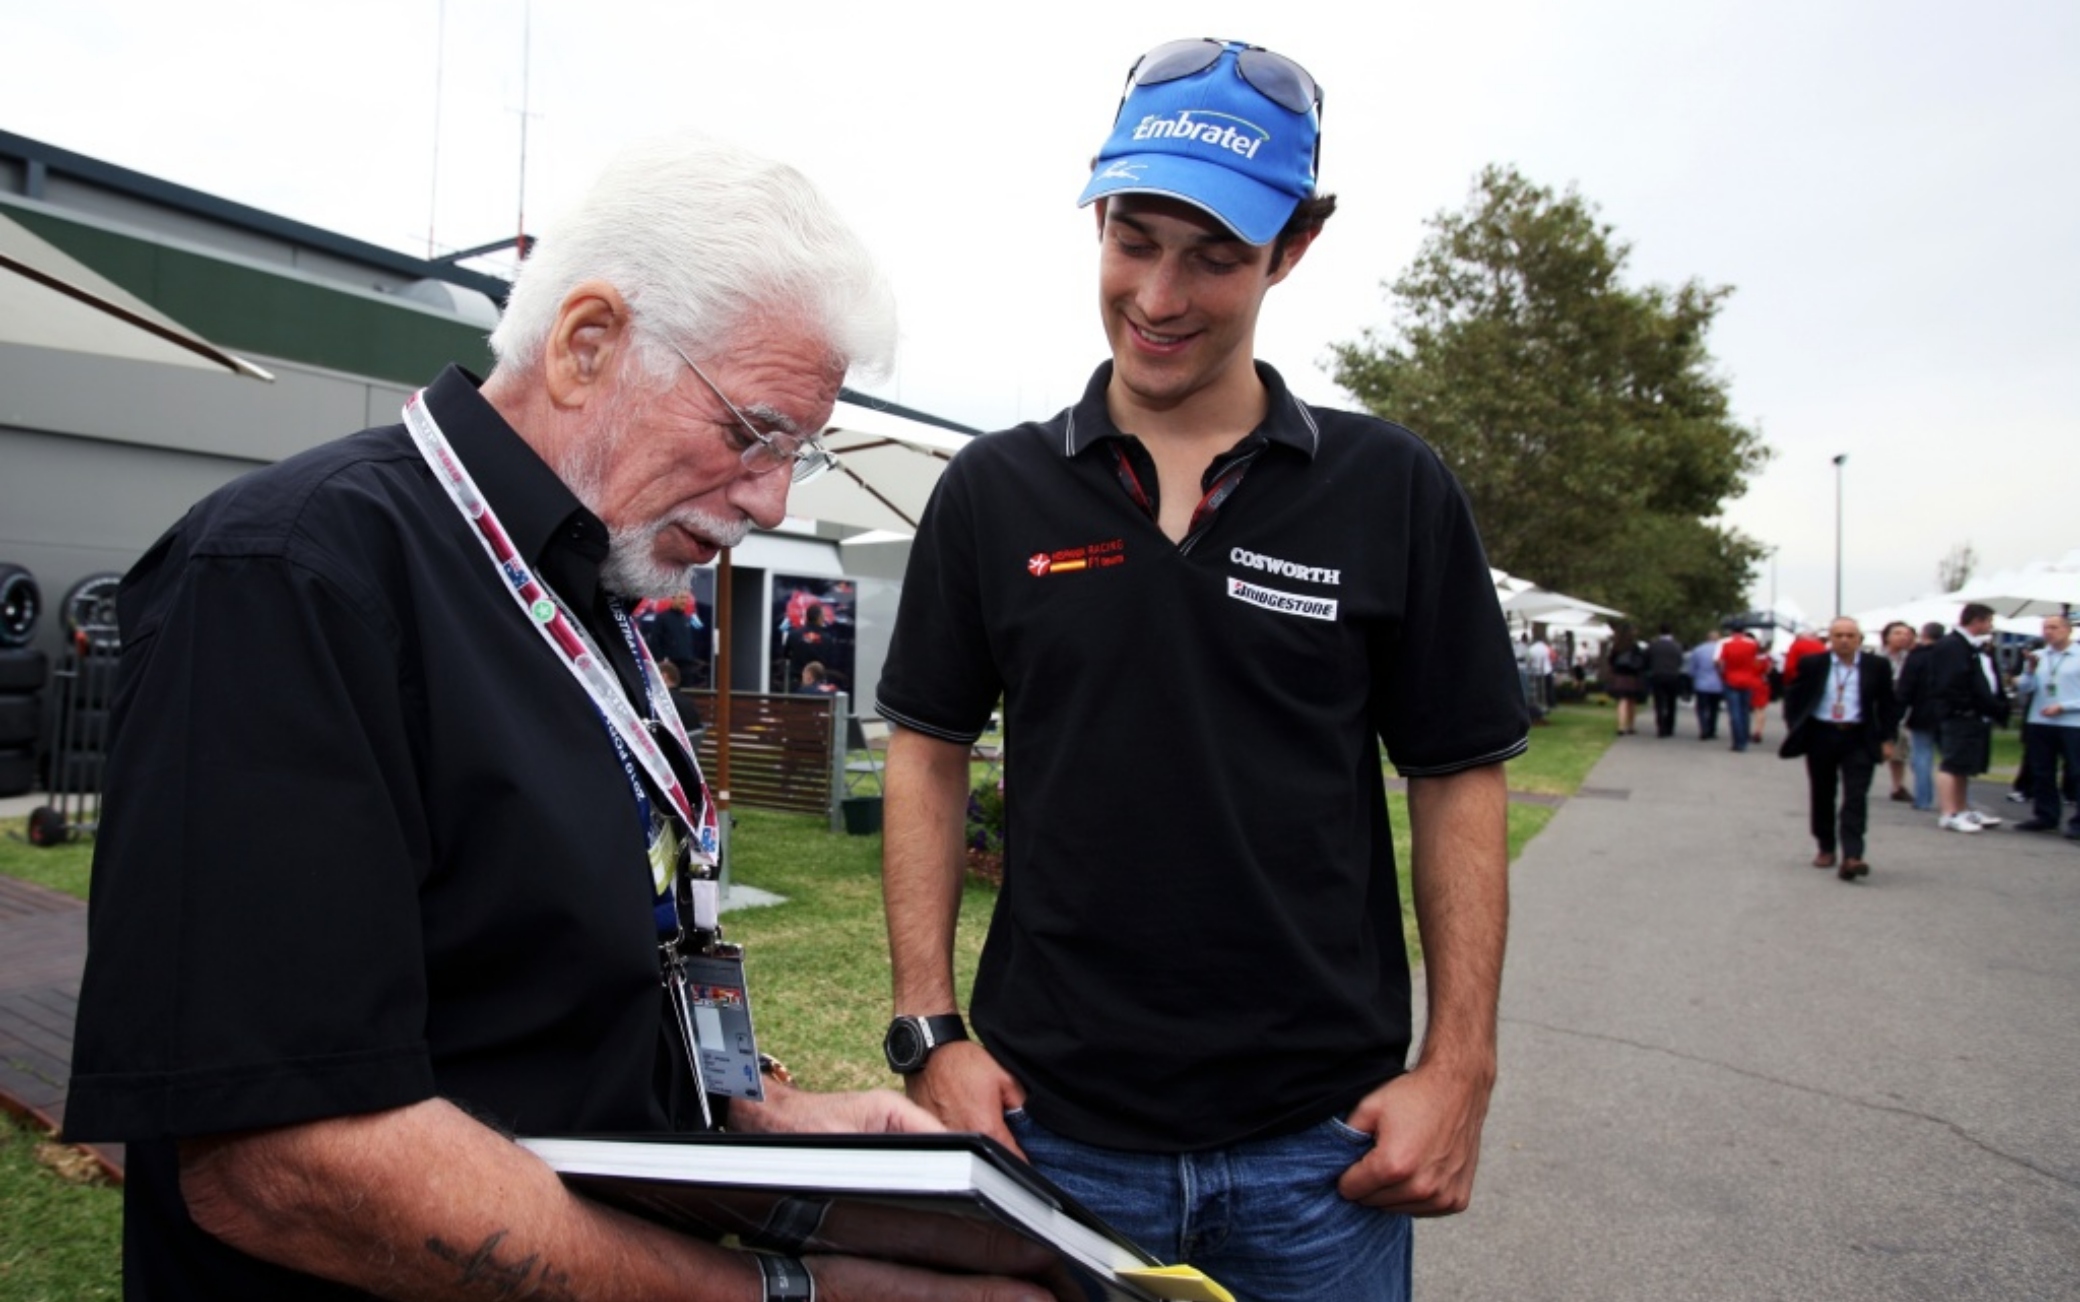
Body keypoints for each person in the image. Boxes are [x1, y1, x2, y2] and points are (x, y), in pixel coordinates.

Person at [63, 135, 1053, 1302]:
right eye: (753, 432)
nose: (772, 498)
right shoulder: (290, 576)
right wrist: (792, 1294)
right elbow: (281, 1163)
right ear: (588, 346)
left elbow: (541, 1000)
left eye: (802, 453)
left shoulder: (594, 593)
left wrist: (767, 1114)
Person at [874, 37, 1527, 1302]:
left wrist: (1459, 1068)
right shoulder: (993, 490)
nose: (1158, 295)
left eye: (1213, 255)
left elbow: (1459, 778)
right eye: (1131, 239)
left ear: (1292, 249)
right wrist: (926, 1029)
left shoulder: (1387, 486)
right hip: (1048, 1132)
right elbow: (926, 749)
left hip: (1317, 1155)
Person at [1779, 617, 1897, 881]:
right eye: (1838, 635)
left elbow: (1888, 704)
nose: (1844, 640)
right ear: (1829, 639)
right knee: (1823, 794)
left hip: (1858, 736)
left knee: (1855, 796)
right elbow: (1794, 696)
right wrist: (1795, 727)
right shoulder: (1814, 664)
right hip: (1822, 735)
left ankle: (1853, 855)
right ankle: (1826, 846)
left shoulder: (1876, 666)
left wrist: (1888, 738)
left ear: (1859, 640)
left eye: (1850, 636)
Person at [1929, 603, 2012, 833]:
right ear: (1977, 621)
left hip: (1972, 715)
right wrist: (1966, 705)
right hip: (1959, 714)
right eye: (1989, 621)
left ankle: (1962, 808)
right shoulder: (1953, 646)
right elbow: (1951, 682)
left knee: (1963, 766)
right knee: (1951, 764)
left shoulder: (1970, 646)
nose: (1991, 626)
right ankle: (1948, 813)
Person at [2011, 613, 2080, 837]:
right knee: (2042, 770)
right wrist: (2029, 671)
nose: (2049, 631)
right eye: (2045, 628)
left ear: (2068, 630)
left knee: (2076, 772)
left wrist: (2065, 706)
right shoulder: (2039, 656)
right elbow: (2024, 689)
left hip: (2072, 722)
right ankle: (2046, 814)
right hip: (2040, 720)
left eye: (2055, 627)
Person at [1895, 621, 1946, 811]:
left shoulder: (1916, 657)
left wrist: (1897, 713)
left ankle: (1923, 799)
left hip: (1922, 711)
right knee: (1950, 758)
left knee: (1922, 756)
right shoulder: (1949, 655)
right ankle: (1956, 799)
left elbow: (1905, 688)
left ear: (1924, 635)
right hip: (1947, 712)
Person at [1877, 620, 1916, 800]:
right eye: (1897, 633)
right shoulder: (1877, 658)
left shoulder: (1911, 659)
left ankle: (1897, 786)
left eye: (1906, 634)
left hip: (1901, 709)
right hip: (1877, 707)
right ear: (1887, 636)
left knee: (1899, 750)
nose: (1903, 637)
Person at [1716, 626, 1766, 752]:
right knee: (1745, 711)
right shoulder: (1753, 643)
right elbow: (1758, 660)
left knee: (1734, 712)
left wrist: (1721, 674)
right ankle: (1744, 739)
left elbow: (1719, 662)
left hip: (1731, 679)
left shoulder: (1725, 643)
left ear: (1732, 631)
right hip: (1748, 679)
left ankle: (1738, 742)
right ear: (1743, 632)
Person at [1604, 626, 1649, 735]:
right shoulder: (1635, 647)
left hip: (1619, 676)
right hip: (1632, 677)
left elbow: (1611, 660)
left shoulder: (1617, 647)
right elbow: (1641, 661)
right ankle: (1630, 726)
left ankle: (1621, 726)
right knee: (1632, 702)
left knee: (1622, 701)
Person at [1645, 624, 1688, 737]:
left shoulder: (1653, 645)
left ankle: (1661, 726)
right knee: (1671, 702)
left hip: (1657, 675)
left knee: (1659, 702)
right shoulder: (1677, 646)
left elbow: (1647, 659)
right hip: (1672, 676)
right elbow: (1680, 661)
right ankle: (1670, 726)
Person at [1686, 632, 1726, 741]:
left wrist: (1694, 677)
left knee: (1701, 708)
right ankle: (1712, 730)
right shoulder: (1722, 651)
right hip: (1717, 684)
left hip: (1702, 684)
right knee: (1714, 709)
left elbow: (1691, 669)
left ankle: (1703, 728)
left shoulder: (1698, 650)